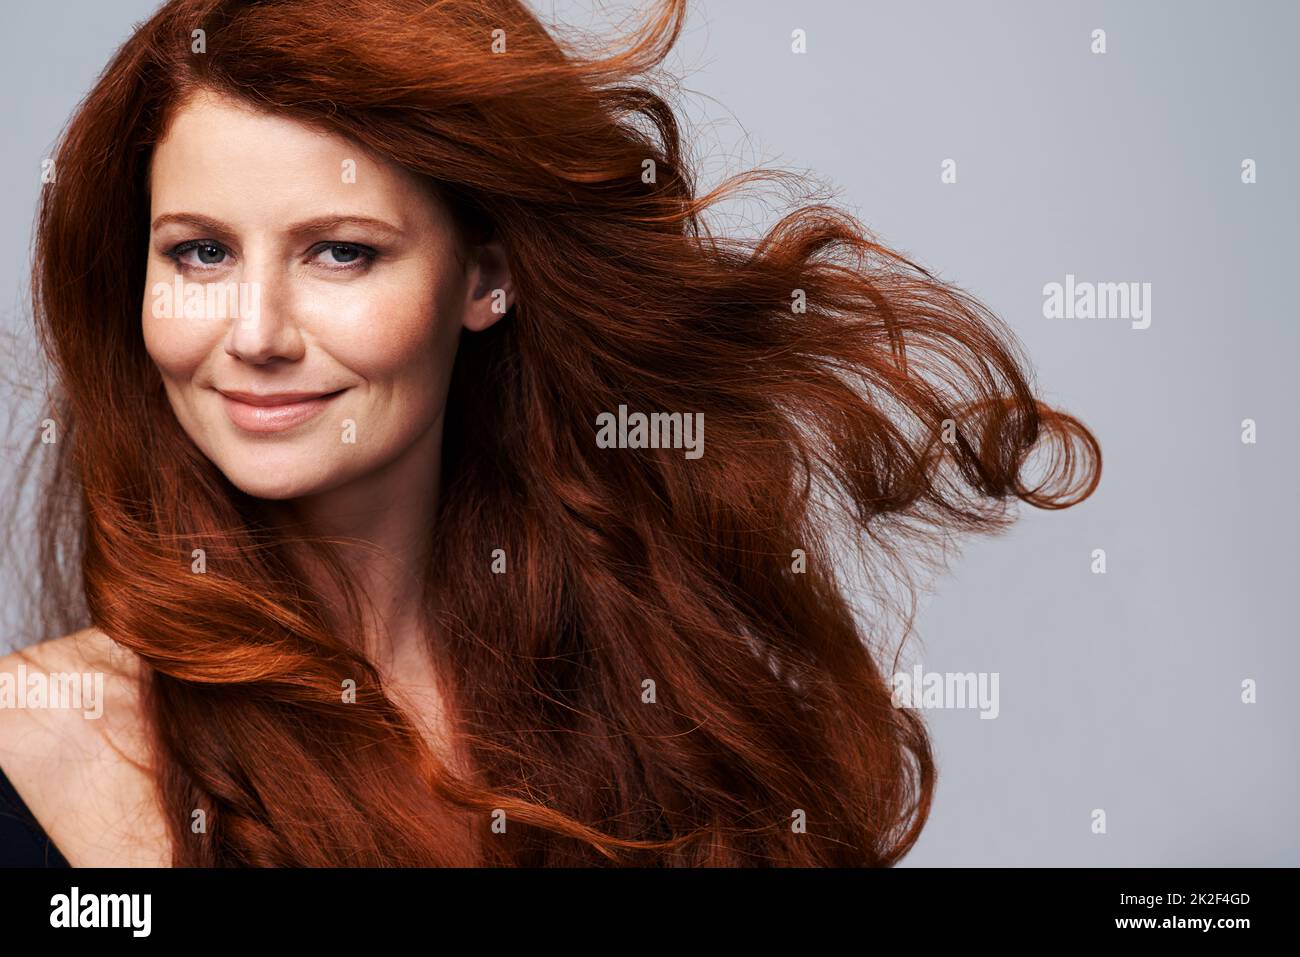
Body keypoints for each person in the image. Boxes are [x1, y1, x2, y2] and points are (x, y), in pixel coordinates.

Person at [0, 0, 1099, 867]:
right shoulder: (35, 747)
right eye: (199, 253)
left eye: (341, 252)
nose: (255, 335)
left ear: (485, 276)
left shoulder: (665, 700)